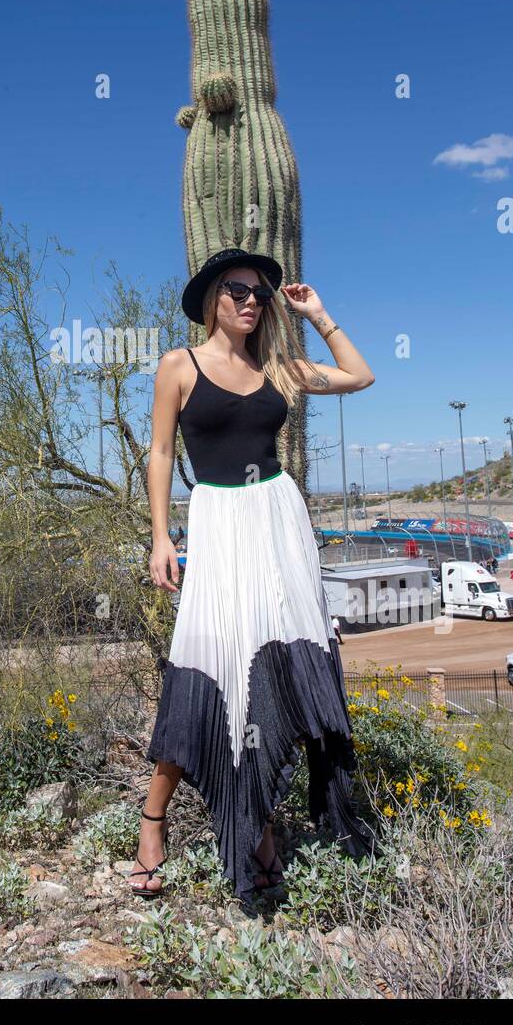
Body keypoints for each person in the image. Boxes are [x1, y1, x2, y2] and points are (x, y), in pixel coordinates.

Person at [130, 248, 378, 904]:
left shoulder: (280, 368)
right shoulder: (177, 366)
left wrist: (318, 314)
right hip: (217, 525)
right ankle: (151, 819)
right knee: (205, 669)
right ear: (212, 298)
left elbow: (361, 375)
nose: (249, 300)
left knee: (268, 679)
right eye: (235, 289)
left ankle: (258, 826)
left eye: (259, 292)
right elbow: (159, 453)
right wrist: (161, 537)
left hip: (278, 523)